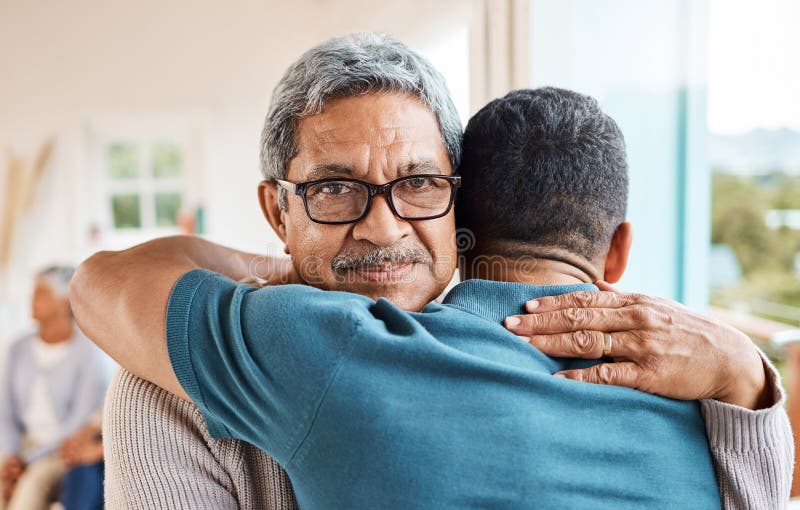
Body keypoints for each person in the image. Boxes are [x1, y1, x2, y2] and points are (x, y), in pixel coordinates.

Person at [70, 40, 791, 507]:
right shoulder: (167, 383)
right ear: (276, 208)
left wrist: (740, 371)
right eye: (332, 190)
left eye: (416, 183)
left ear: (460, 203)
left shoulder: (667, 362)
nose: (382, 229)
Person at [0, 266, 108, 510]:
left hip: (59, 451)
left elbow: (79, 421)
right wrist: (10, 455)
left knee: (30, 489)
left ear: (65, 302)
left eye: (42, 294)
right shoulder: (17, 349)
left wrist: (26, 461)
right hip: (21, 447)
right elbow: (4, 413)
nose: (32, 300)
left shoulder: (88, 353)